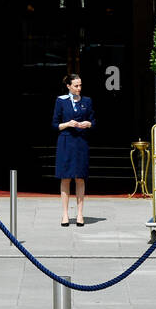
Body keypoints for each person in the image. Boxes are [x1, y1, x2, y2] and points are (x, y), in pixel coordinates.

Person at [52, 73, 94, 227]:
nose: (79, 88)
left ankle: (80, 214)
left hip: (81, 142)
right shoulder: (61, 101)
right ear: (68, 86)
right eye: (76, 85)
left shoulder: (87, 101)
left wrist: (87, 124)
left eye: (80, 85)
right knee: (65, 177)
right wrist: (68, 124)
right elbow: (55, 124)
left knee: (80, 177)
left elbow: (93, 121)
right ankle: (65, 214)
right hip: (66, 142)